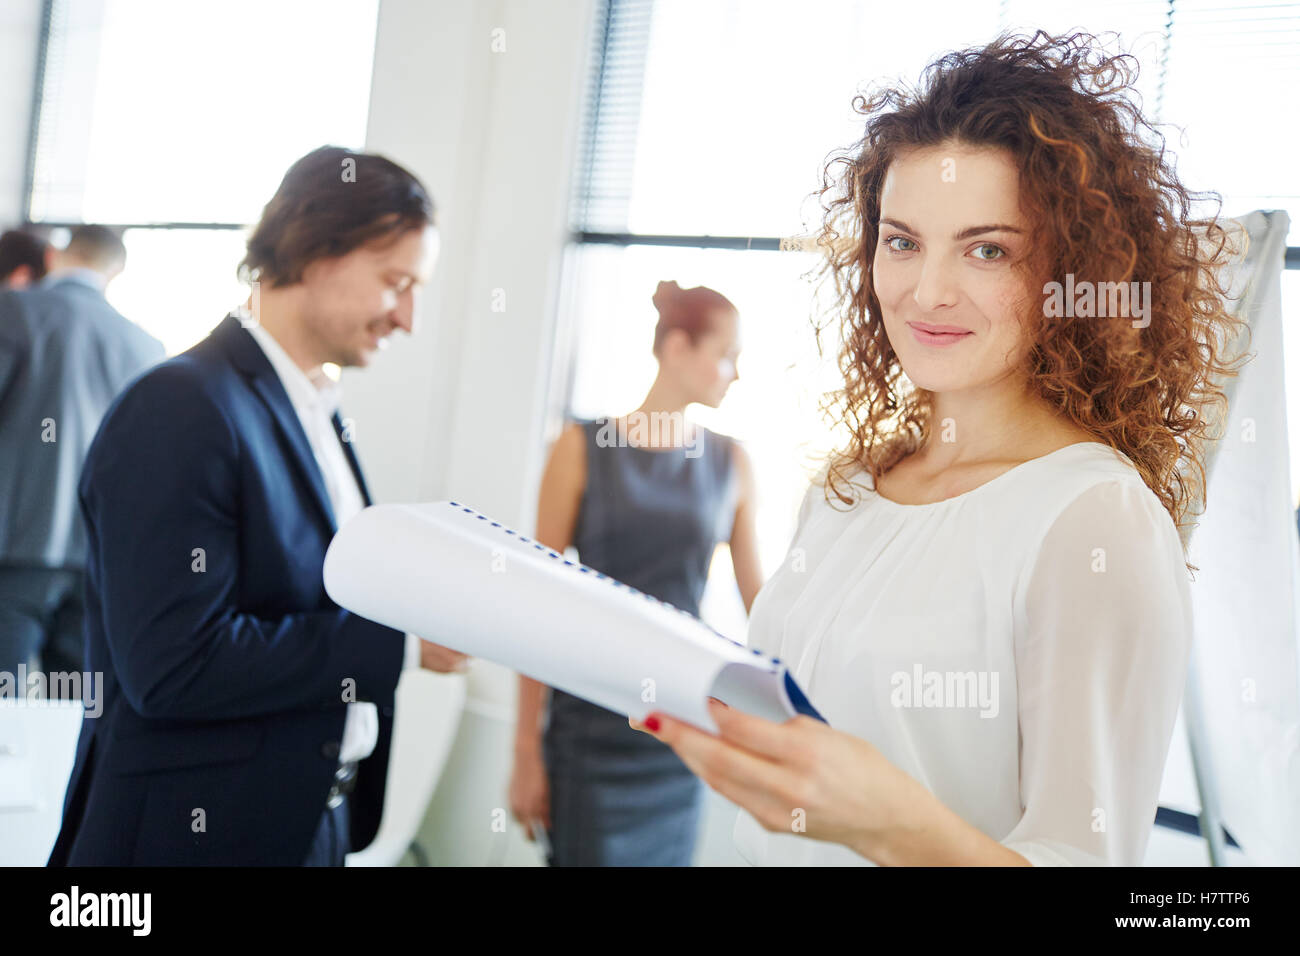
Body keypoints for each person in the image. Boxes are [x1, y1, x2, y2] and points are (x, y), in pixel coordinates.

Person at [632, 31, 1246, 866]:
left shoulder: (1094, 521)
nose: (926, 292)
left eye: (987, 249)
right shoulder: (851, 486)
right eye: (903, 240)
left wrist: (887, 823)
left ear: (1072, 271)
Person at [47, 146, 468, 867]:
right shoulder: (182, 406)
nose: (408, 318)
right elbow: (175, 666)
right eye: (395, 282)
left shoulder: (315, 410)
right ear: (314, 248)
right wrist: (393, 644)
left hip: (305, 819)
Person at [510, 280, 764, 866]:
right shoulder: (580, 447)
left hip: (679, 729)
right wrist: (525, 750)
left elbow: (764, 605)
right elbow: (534, 607)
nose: (736, 373)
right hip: (588, 730)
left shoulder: (733, 462)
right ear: (677, 349)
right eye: (727, 356)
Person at [0, 225, 163, 682]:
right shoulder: (146, 347)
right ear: (116, 270)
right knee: (72, 704)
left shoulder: (13, 310)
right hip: (97, 556)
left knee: (3, 703)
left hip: (12, 550)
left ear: (53, 255)